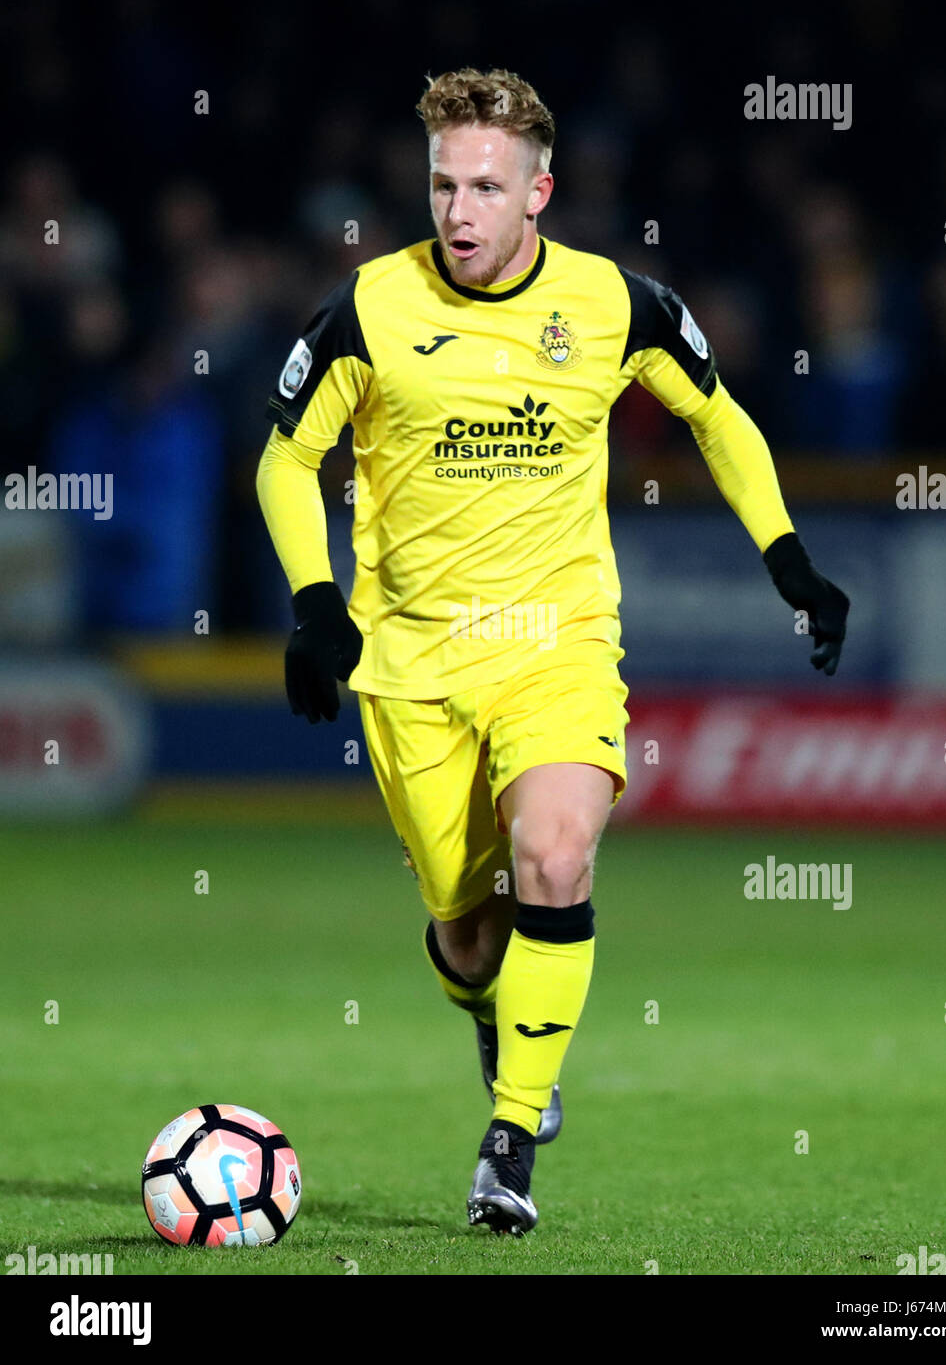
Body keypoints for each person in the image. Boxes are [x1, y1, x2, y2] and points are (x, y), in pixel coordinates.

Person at [256, 66, 850, 1236]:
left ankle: (509, 1141)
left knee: (557, 853)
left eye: (485, 185)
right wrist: (317, 606)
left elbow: (715, 415)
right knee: (467, 929)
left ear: (539, 191)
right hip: (413, 663)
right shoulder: (368, 309)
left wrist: (786, 555)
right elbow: (285, 458)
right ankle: (489, 1008)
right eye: (441, 184)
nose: (458, 210)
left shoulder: (617, 304)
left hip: (556, 646)